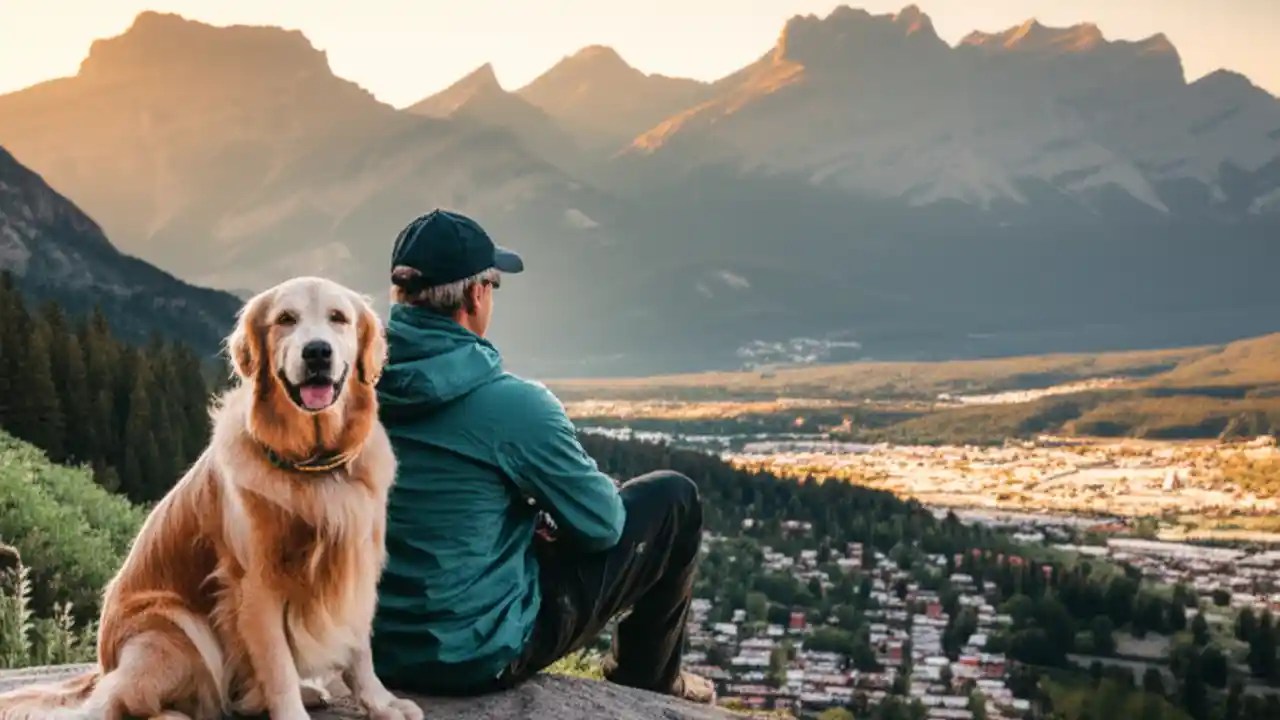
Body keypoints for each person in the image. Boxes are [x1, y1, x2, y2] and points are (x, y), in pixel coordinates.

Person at [371, 209, 715, 704]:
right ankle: (648, 681)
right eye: (493, 285)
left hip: (369, 650)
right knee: (674, 499)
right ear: (476, 294)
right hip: (477, 656)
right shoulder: (514, 407)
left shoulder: (344, 393)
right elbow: (602, 525)